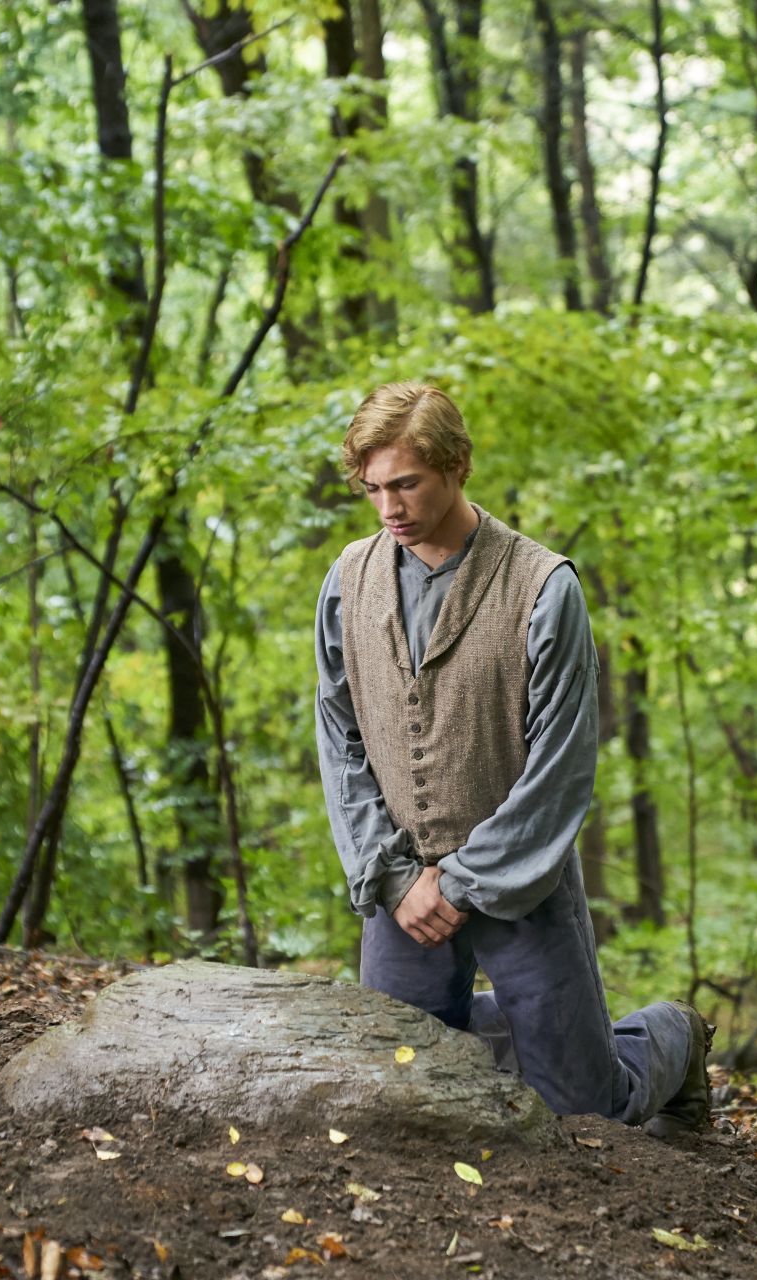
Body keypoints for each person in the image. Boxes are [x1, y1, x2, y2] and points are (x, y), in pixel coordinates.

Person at [312, 381, 713, 1136]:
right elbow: (339, 737)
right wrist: (392, 877)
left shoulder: (543, 588)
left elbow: (563, 767)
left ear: (458, 465)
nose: (389, 507)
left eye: (407, 484)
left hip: (523, 880)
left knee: (586, 1112)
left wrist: (466, 881)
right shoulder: (348, 579)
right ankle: (523, 1026)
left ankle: (672, 1036)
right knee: (399, 1094)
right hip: (402, 886)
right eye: (373, 489)